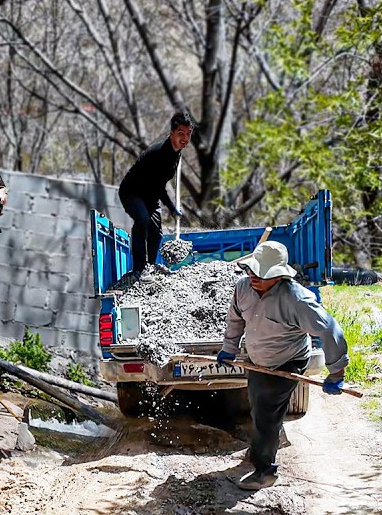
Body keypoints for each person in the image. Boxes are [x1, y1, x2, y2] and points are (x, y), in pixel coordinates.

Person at [216, 241, 349, 490]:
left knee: (267, 414)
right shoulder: (242, 288)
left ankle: (265, 471)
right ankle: (258, 452)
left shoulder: (297, 299)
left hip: (287, 360)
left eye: (261, 273)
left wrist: (336, 371)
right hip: (257, 360)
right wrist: (229, 348)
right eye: (252, 271)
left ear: (277, 275)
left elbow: (330, 330)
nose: (253, 276)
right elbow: (235, 318)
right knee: (258, 407)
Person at [119, 110, 194, 276]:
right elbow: (160, 187)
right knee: (142, 220)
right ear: (172, 133)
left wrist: (170, 206)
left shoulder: (177, 153)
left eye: (188, 133)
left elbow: (157, 187)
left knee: (156, 232)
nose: (185, 139)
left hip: (150, 195)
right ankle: (139, 269)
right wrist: (172, 207)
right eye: (181, 133)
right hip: (132, 192)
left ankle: (150, 266)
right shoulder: (160, 154)